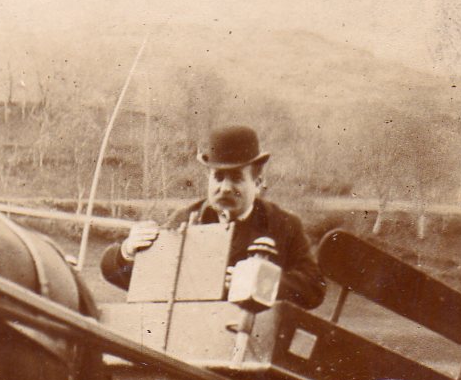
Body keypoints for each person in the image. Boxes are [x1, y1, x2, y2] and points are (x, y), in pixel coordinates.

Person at [101, 125, 327, 309]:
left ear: (257, 184)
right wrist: (128, 252)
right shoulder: (184, 220)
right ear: (208, 181)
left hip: (253, 342)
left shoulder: (284, 224)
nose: (225, 188)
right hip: (192, 339)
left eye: (237, 178)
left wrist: (259, 281)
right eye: (218, 178)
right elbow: (142, 281)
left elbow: (314, 289)